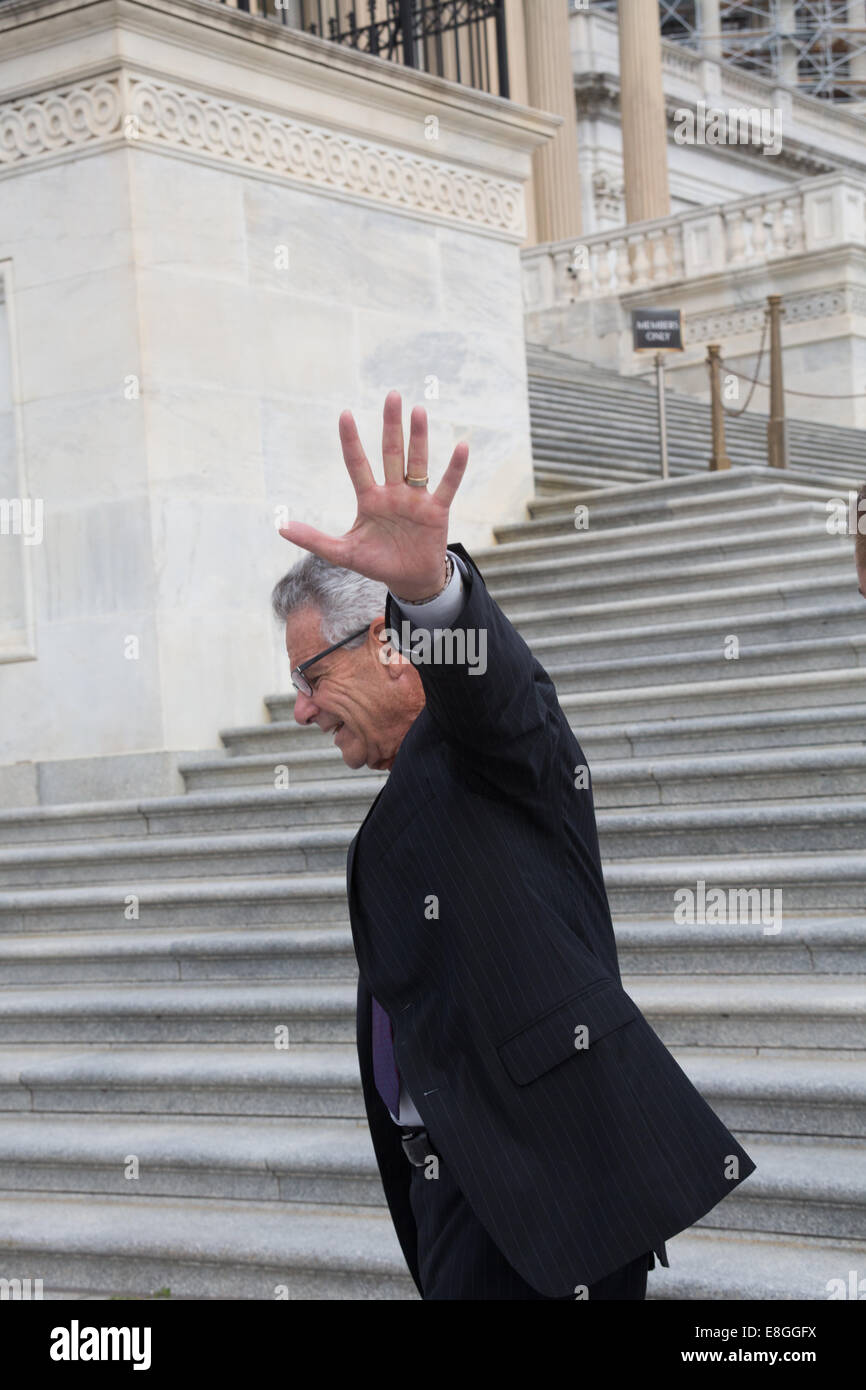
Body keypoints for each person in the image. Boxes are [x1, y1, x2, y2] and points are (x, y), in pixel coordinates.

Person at [271, 390, 757, 1300]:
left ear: (387, 645)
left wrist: (428, 591)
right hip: (461, 1191)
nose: (299, 708)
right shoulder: (402, 791)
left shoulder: (494, 749)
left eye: (310, 675)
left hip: (550, 1192)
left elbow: (499, 690)